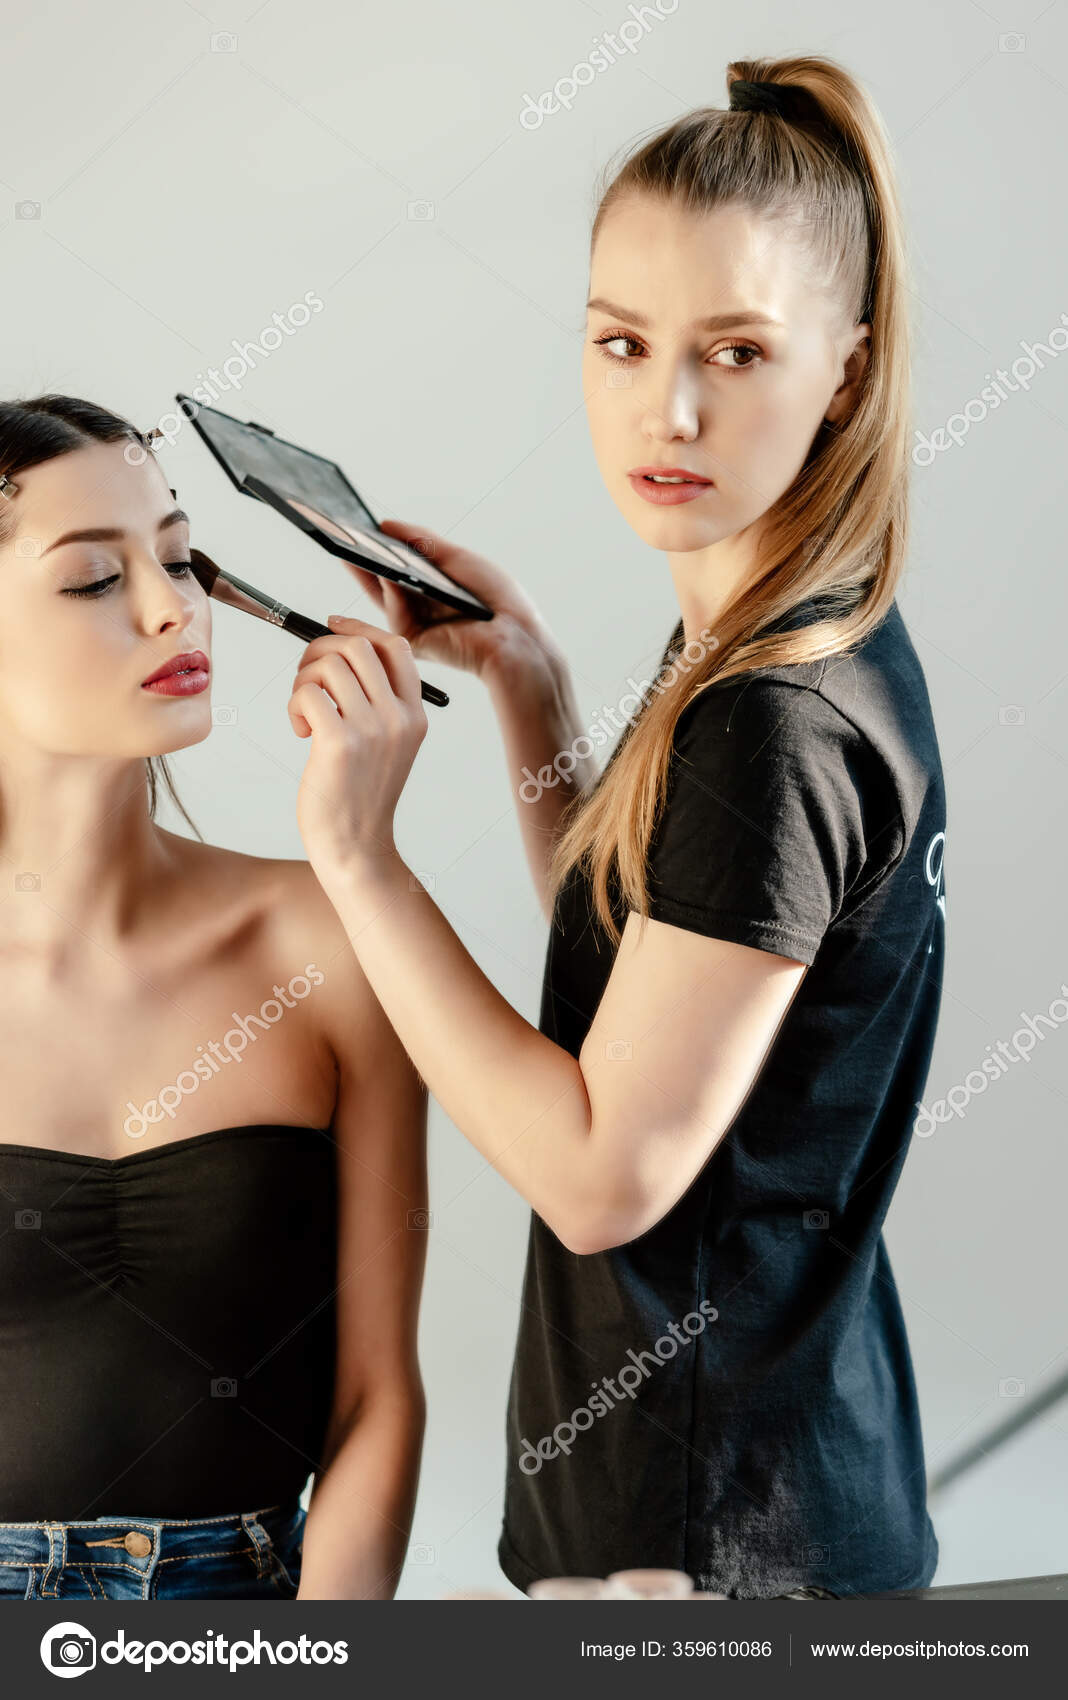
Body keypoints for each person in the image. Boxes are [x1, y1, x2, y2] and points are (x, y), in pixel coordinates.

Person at [287, 53, 945, 1599]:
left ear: (847, 371)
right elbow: (649, 965)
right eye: (623, 341)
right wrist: (531, 690)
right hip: (767, 1498)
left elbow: (599, 1175)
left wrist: (360, 863)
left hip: (711, 1550)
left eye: (737, 350)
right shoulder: (795, 630)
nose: (670, 407)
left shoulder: (773, 719)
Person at [0, 395, 427, 1601]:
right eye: (94, 578)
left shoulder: (328, 934)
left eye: (181, 558)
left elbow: (378, 1394)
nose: (172, 607)